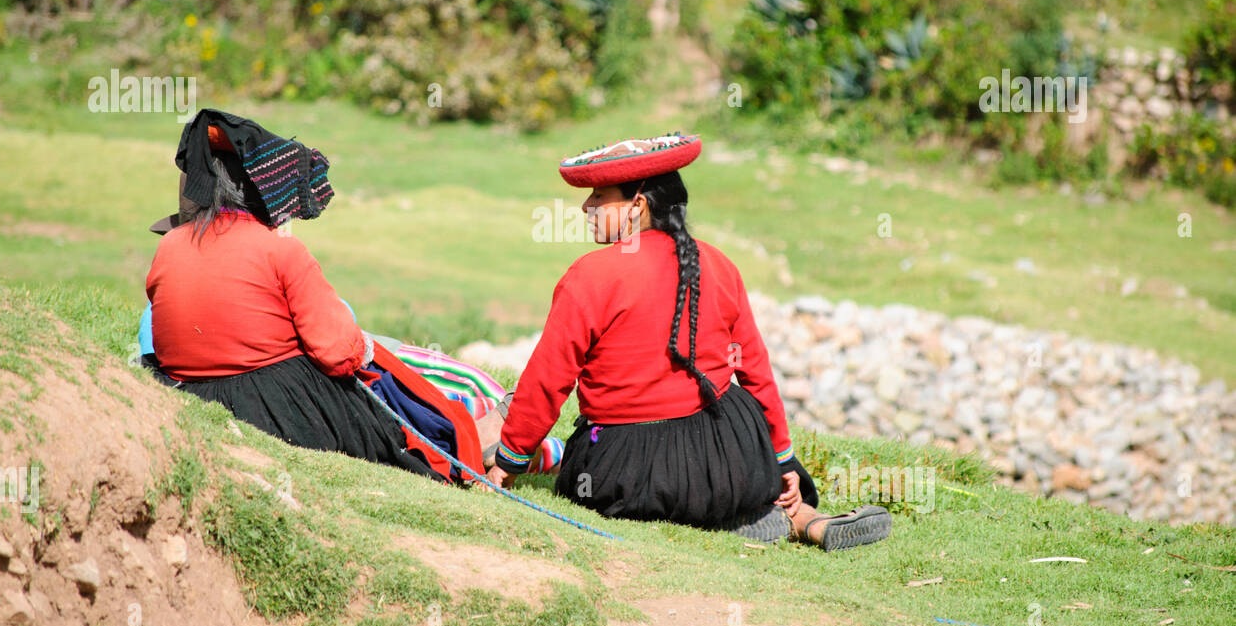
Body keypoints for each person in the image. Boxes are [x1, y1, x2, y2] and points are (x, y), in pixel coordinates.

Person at [488, 134, 892, 550]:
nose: (586, 208)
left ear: (637, 206)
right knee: (729, 402)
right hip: (728, 459)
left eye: (599, 196)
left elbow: (547, 379)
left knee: (593, 469)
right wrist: (782, 459)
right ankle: (794, 515)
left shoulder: (590, 276)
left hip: (625, 475)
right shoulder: (718, 264)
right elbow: (755, 372)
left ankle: (722, 515)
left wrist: (510, 460)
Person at [143, 108, 495, 482]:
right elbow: (339, 352)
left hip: (188, 394)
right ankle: (485, 438)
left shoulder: (169, 247)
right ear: (257, 188)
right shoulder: (280, 250)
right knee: (406, 421)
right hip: (274, 407)